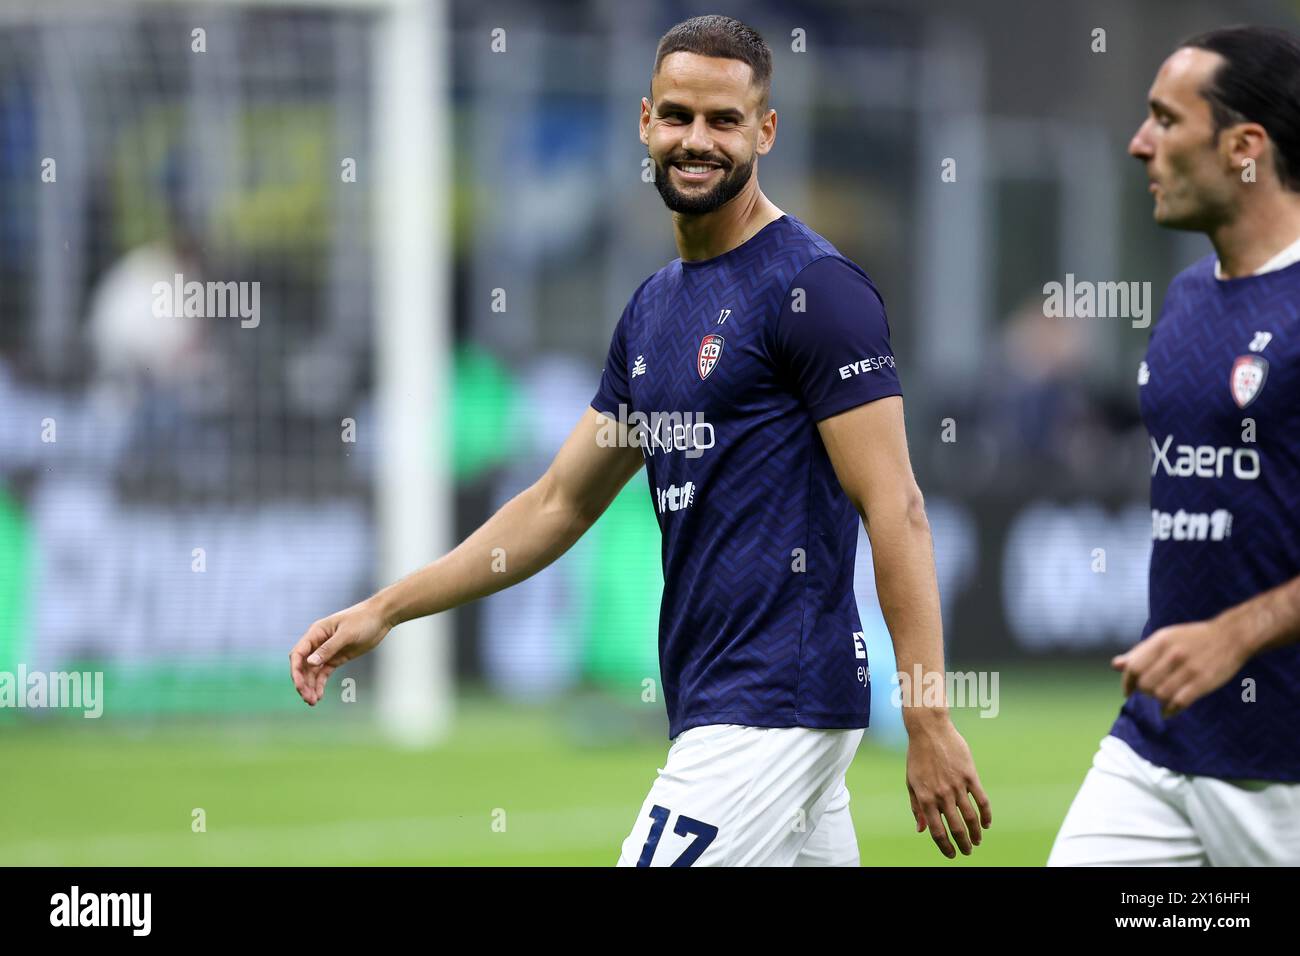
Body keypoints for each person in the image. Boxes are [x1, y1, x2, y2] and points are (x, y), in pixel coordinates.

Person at [290, 14, 990, 866]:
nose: (698, 140)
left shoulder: (817, 291)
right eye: (679, 116)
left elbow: (898, 506)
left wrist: (926, 715)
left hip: (769, 709)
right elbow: (558, 503)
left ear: (765, 131)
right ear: (645, 122)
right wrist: (386, 609)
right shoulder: (654, 309)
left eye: (724, 121)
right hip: (732, 707)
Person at [1050, 26, 1300, 866]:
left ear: (1244, 148)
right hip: (1160, 747)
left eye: (1164, 119)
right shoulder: (1189, 295)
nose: (1138, 143)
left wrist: (1235, 634)